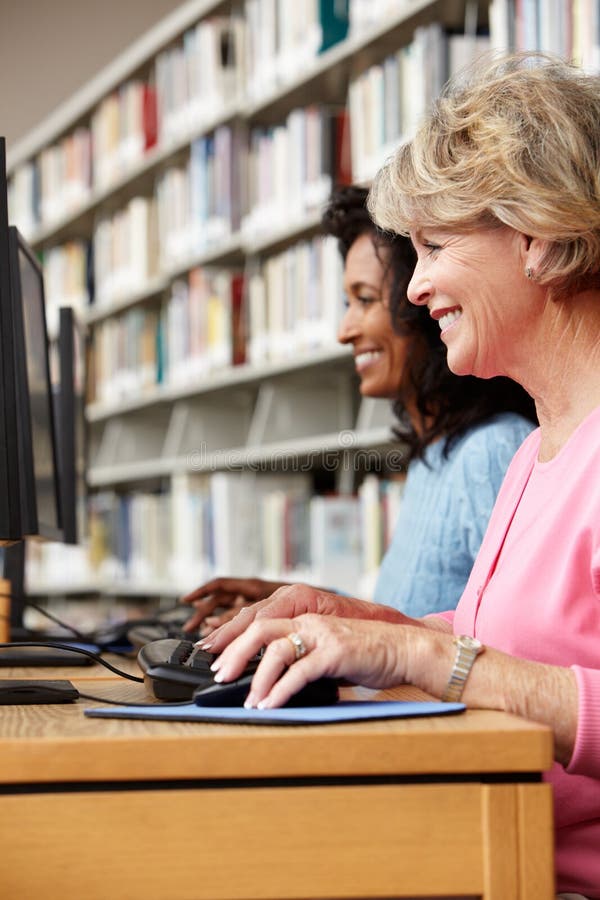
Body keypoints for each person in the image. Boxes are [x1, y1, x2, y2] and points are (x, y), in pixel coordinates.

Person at [198, 53, 600, 899]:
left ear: (535, 232)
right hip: (489, 854)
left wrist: (414, 652)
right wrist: (365, 622)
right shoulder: (539, 450)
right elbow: (515, 645)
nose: (414, 289)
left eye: (435, 246)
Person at [182, 186, 535, 633]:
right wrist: (294, 600)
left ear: (425, 303)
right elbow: (414, 616)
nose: (344, 331)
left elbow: (510, 647)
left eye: (364, 300)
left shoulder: (492, 453)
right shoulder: (436, 456)